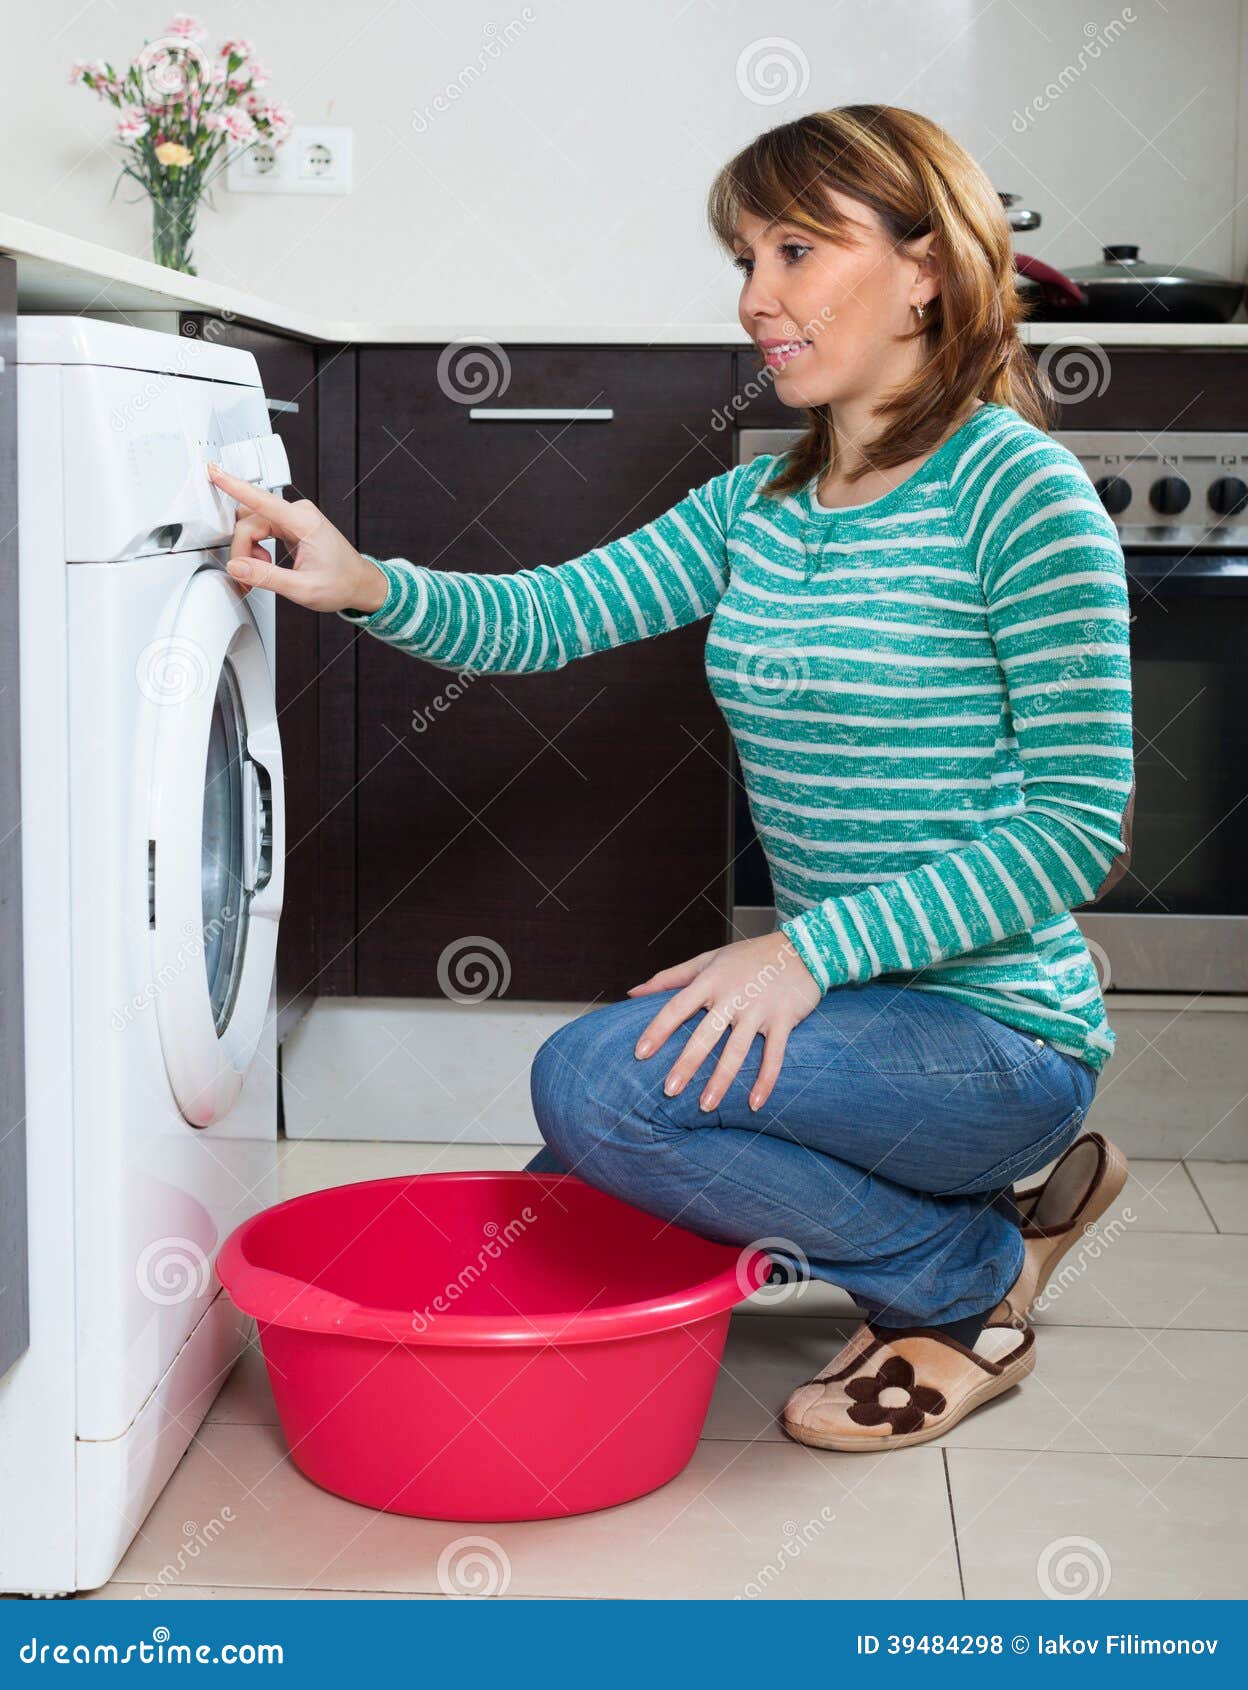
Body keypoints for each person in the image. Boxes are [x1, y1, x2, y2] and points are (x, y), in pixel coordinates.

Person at [207, 103, 1133, 1453]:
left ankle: (962, 1283)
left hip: (993, 1036)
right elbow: (540, 617)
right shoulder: (760, 506)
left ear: (926, 269)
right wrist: (360, 583)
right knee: (567, 1196)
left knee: (604, 1091)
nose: (757, 298)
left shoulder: (1019, 491)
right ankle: (971, 1236)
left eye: (798, 250)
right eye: (746, 259)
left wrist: (805, 954)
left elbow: (1074, 829)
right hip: (842, 1021)